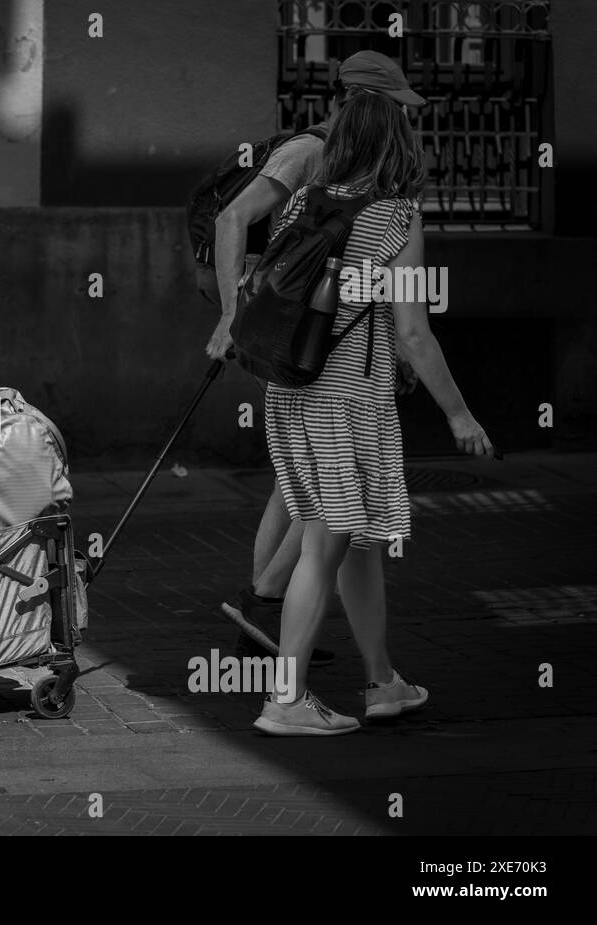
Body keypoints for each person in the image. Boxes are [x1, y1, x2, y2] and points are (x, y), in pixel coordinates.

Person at [251, 90, 494, 736]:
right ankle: (284, 699)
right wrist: (459, 414)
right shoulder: (397, 217)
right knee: (325, 545)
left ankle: (382, 680)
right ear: (396, 143)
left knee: (356, 544)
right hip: (346, 399)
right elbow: (414, 330)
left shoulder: (306, 200)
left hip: (289, 385)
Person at [204, 51, 428, 668]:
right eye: (397, 109)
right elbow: (234, 219)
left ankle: (266, 617)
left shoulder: (346, 158)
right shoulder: (309, 153)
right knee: (326, 498)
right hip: (301, 344)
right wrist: (231, 314)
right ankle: (268, 605)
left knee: (296, 488)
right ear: (365, 103)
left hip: (316, 338)